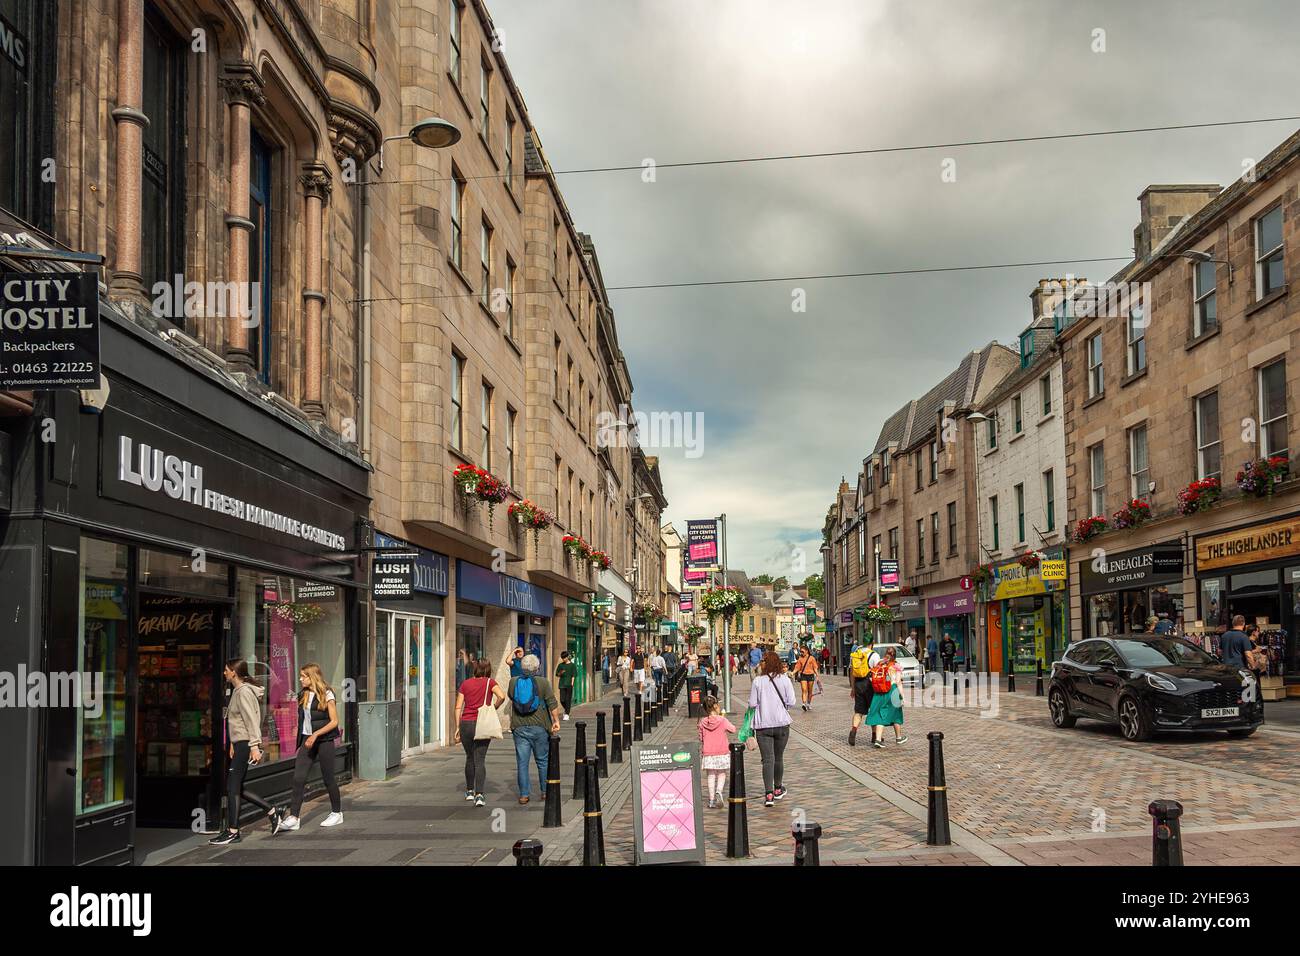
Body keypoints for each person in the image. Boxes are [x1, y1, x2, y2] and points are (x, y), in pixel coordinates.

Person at [209, 660, 281, 845]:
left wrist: (255, 745)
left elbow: (251, 720)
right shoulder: (238, 692)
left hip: (246, 745)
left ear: (234, 672)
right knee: (236, 787)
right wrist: (233, 742)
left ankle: (233, 831)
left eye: (226, 670)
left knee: (233, 787)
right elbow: (238, 721)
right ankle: (272, 811)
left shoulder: (243, 693)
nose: (224, 673)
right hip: (240, 744)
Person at [277, 663, 344, 831]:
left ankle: (337, 813)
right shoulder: (303, 694)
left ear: (311, 677)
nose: (300, 679)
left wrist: (315, 734)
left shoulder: (327, 694)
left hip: (324, 740)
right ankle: (294, 817)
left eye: (303, 676)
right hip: (307, 740)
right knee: (298, 778)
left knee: (328, 777)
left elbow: (334, 721)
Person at [508, 654, 562, 805]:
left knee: (522, 762)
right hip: (540, 727)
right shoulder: (543, 682)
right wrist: (556, 721)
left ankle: (524, 795)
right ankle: (545, 791)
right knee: (542, 760)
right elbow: (552, 703)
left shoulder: (513, 682)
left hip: (519, 727)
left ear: (522, 667)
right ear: (537, 667)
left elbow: (512, 697)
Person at [452, 659, 506, 807]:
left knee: (470, 757)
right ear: (488, 669)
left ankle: (469, 791)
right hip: (483, 723)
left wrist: (457, 726)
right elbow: (502, 696)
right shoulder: (490, 682)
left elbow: (458, 707)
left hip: (466, 723)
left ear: (475, 669)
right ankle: (479, 795)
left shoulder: (465, 684)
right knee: (479, 759)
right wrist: (493, 707)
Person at [748, 651, 796, 808]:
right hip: (782, 724)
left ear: (765, 664)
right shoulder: (785, 680)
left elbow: (753, 703)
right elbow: (792, 701)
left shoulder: (757, 681)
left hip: (763, 726)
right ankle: (778, 788)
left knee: (767, 760)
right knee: (778, 757)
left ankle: (768, 794)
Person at [698, 696, 737, 809]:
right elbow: (733, 729)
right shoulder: (722, 720)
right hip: (722, 751)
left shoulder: (702, 722)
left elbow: (701, 738)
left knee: (710, 776)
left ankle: (711, 800)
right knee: (721, 773)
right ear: (715, 706)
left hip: (708, 753)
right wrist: (723, 719)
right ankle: (719, 791)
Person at [867, 647, 907, 748]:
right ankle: (898, 738)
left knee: (881, 714)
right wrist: (902, 696)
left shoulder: (880, 664)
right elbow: (898, 682)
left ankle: (878, 739)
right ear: (895, 655)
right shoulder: (896, 666)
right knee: (896, 713)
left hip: (880, 691)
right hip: (892, 690)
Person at [847, 642, 880, 747]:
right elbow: (879, 673)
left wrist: (853, 688)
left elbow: (852, 673)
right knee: (873, 710)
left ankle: (853, 730)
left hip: (858, 684)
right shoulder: (874, 655)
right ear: (872, 644)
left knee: (858, 711)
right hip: (870, 685)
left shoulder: (856, 654)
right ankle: (875, 736)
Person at [792, 644, 819, 711]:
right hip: (803, 675)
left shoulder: (811, 658)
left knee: (810, 691)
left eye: (802, 651)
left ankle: (808, 704)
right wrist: (793, 673)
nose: (801, 653)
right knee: (804, 690)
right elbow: (797, 667)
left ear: (807, 651)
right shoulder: (800, 658)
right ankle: (804, 704)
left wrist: (817, 675)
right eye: (800, 651)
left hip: (810, 675)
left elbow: (815, 667)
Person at [554, 651, 577, 721]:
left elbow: (574, 675)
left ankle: (566, 714)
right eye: (562, 658)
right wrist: (561, 672)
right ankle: (567, 710)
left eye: (564, 657)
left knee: (568, 700)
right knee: (562, 700)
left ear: (567, 657)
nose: (563, 659)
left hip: (569, 684)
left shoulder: (572, 665)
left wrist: (572, 683)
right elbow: (557, 674)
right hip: (562, 684)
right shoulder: (560, 665)